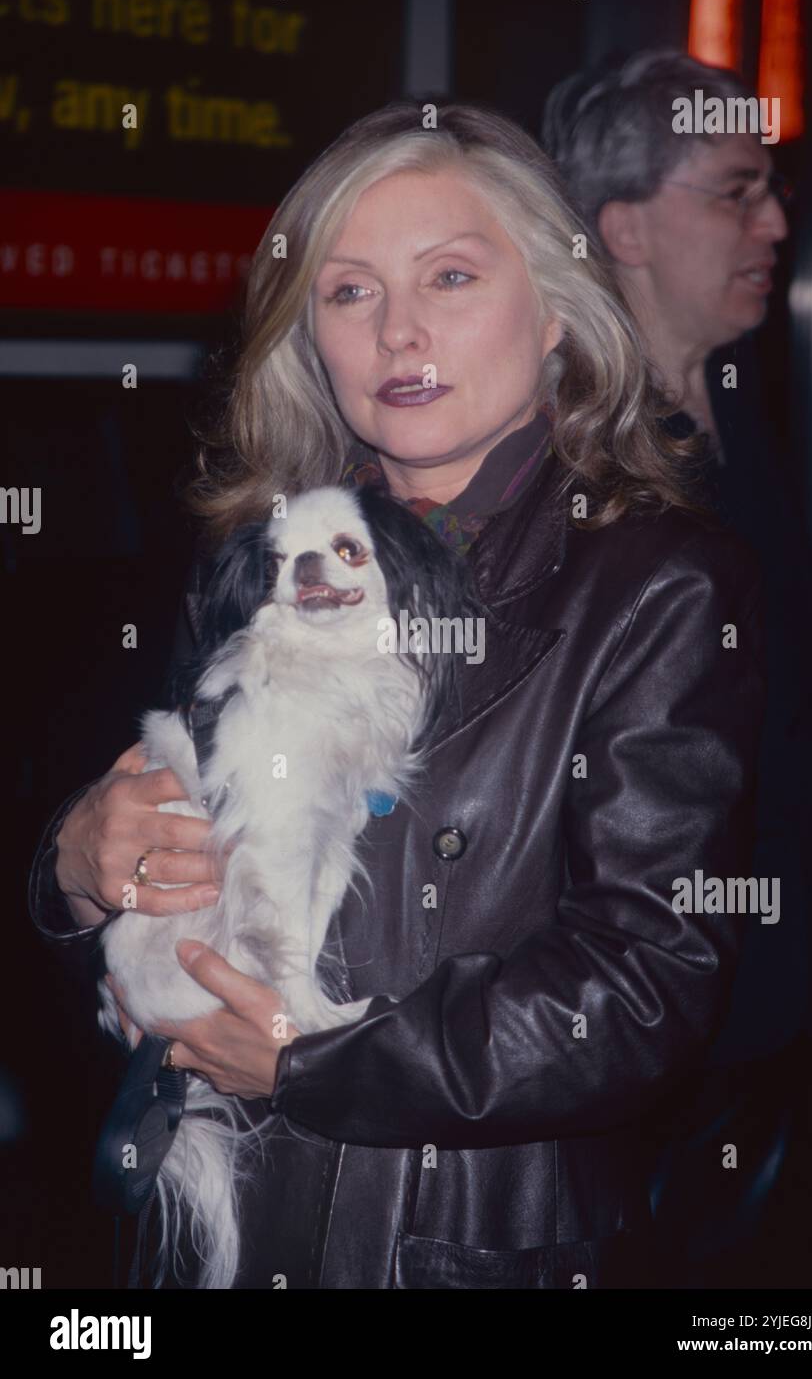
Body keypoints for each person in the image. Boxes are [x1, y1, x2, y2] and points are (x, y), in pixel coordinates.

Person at [28, 100, 766, 1290]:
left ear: (555, 311)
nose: (397, 331)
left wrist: (313, 1062)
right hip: (209, 1225)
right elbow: (163, 895)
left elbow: (647, 981)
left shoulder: (658, 582)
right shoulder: (266, 561)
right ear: (309, 334)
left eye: (452, 277)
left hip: (461, 1244)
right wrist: (72, 868)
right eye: (350, 292)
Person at [542, 49, 812, 1285]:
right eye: (734, 190)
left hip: (759, 1011)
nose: (775, 222)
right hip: (622, 1050)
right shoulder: (554, 465)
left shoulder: (737, 407)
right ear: (624, 228)